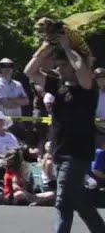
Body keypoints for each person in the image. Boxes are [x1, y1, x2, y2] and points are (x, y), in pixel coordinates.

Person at [25, 30, 105, 232]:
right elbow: (30, 71)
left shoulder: (88, 89)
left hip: (77, 152)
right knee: (77, 199)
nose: (59, 69)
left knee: (62, 201)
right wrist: (47, 47)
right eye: (58, 65)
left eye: (62, 65)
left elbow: (83, 73)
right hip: (60, 150)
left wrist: (69, 48)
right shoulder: (57, 85)